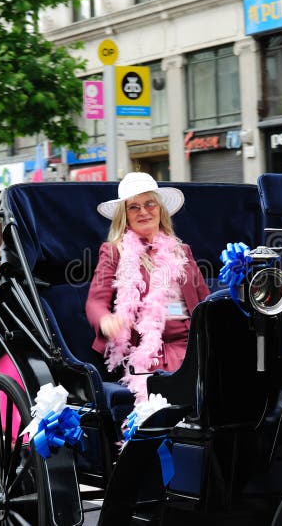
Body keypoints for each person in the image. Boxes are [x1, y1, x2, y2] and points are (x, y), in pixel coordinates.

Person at [86, 172, 209, 403]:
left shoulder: (182, 251)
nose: (143, 211)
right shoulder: (114, 252)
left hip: (192, 347)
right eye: (134, 207)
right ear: (125, 216)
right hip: (147, 353)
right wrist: (106, 321)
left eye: (149, 203)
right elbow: (95, 301)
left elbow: (205, 299)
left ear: (160, 209)